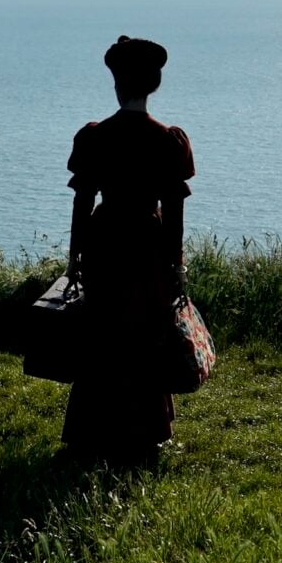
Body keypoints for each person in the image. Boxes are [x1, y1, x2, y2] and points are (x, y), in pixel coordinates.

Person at [62, 35, 195, 460]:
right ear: (153, 85)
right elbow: (174, 211)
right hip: (149, 245)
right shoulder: (168, 141)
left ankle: (92, 431)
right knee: (146, 333)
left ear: (116, 85)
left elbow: (83, 200)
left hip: (105, 242)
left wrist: (74, 256)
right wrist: (176, 266)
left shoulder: (94, 137)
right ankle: (145, 433)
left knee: (101, 332)